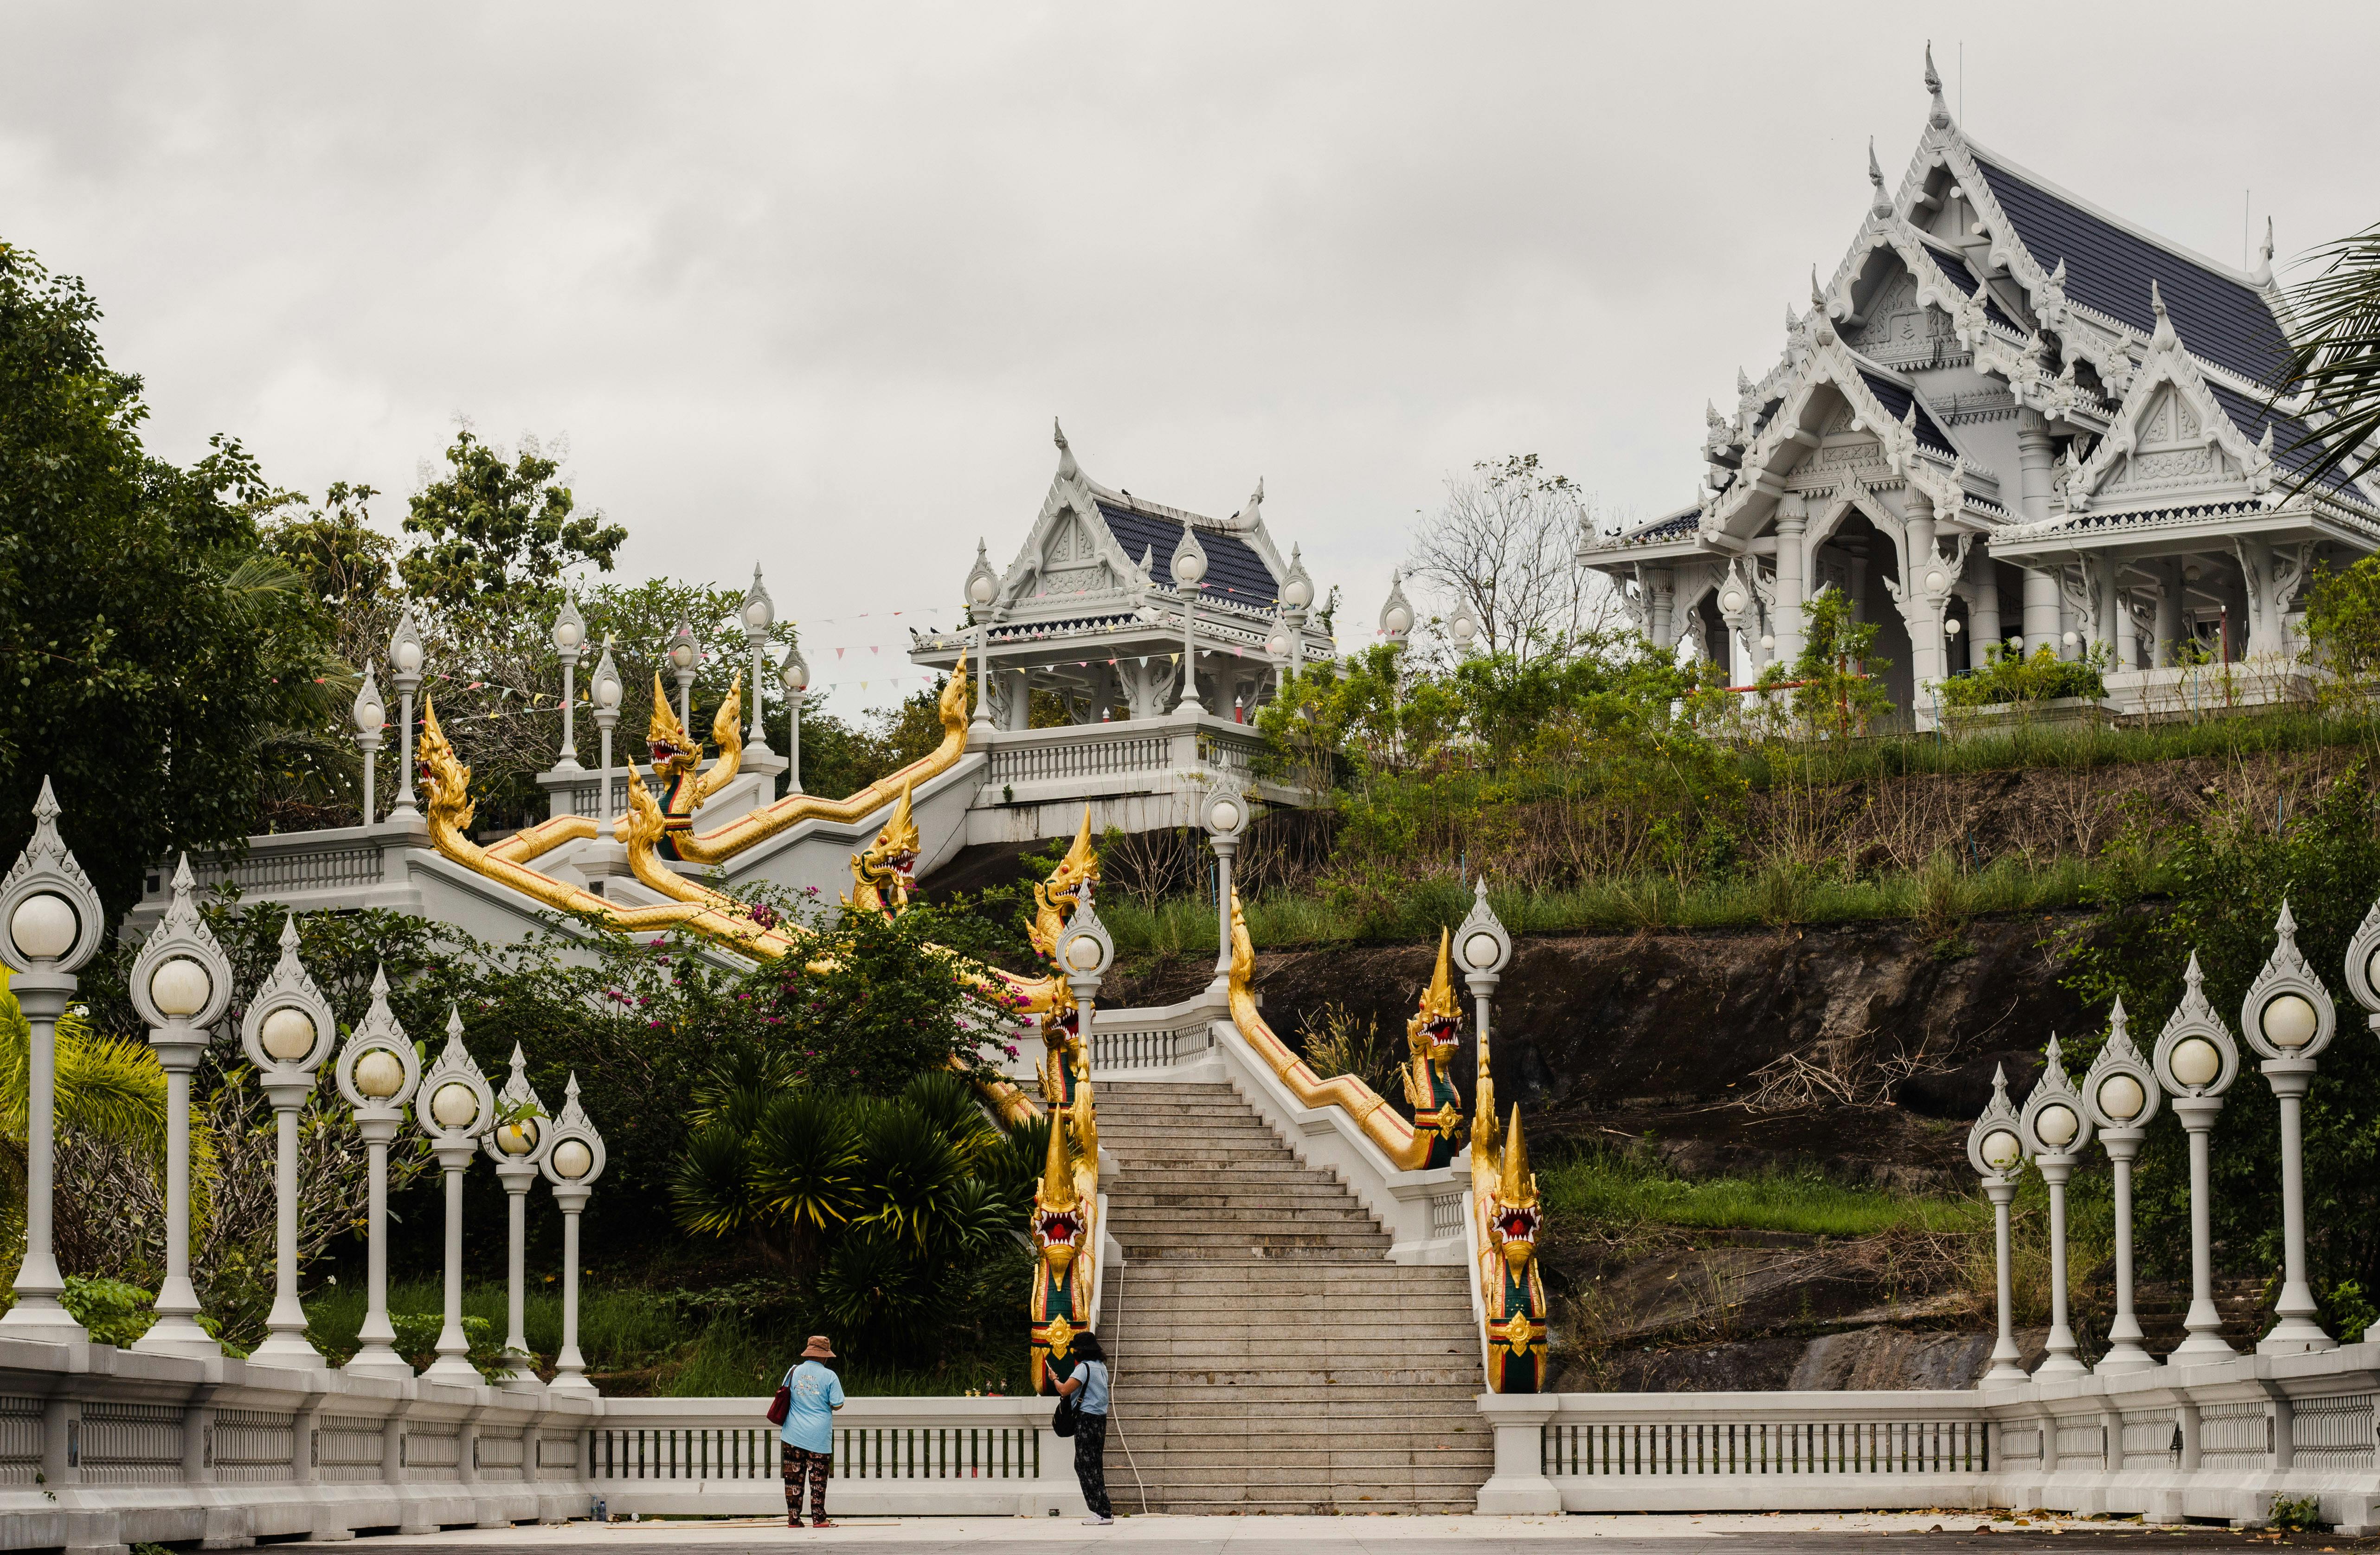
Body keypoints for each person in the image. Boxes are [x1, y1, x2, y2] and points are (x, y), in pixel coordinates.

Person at [780, 1335, 845, 1529]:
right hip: (818, 1437)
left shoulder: (794, 1371)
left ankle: (794, 1519)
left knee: (793, 1480)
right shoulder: (830, 1376)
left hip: (793, 1435)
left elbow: (784, 1392)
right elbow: (838, 1404)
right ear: (825, 1357)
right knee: (818, 1481)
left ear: (809, 1352)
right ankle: (819, 1519)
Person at [1053, 1330, 1113, 1525]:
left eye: (1075, 1349)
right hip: (1100, 1420)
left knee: (1084, 1465)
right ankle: (1104, 1509)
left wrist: (1054, 1378)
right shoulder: (1101, 1367)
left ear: (1082, 1351)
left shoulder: (1084, 1368)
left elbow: (1064, 1390)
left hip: (1086, 1420)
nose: (1074, 1351)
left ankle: (1100, 1511)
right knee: (1094, 1464)